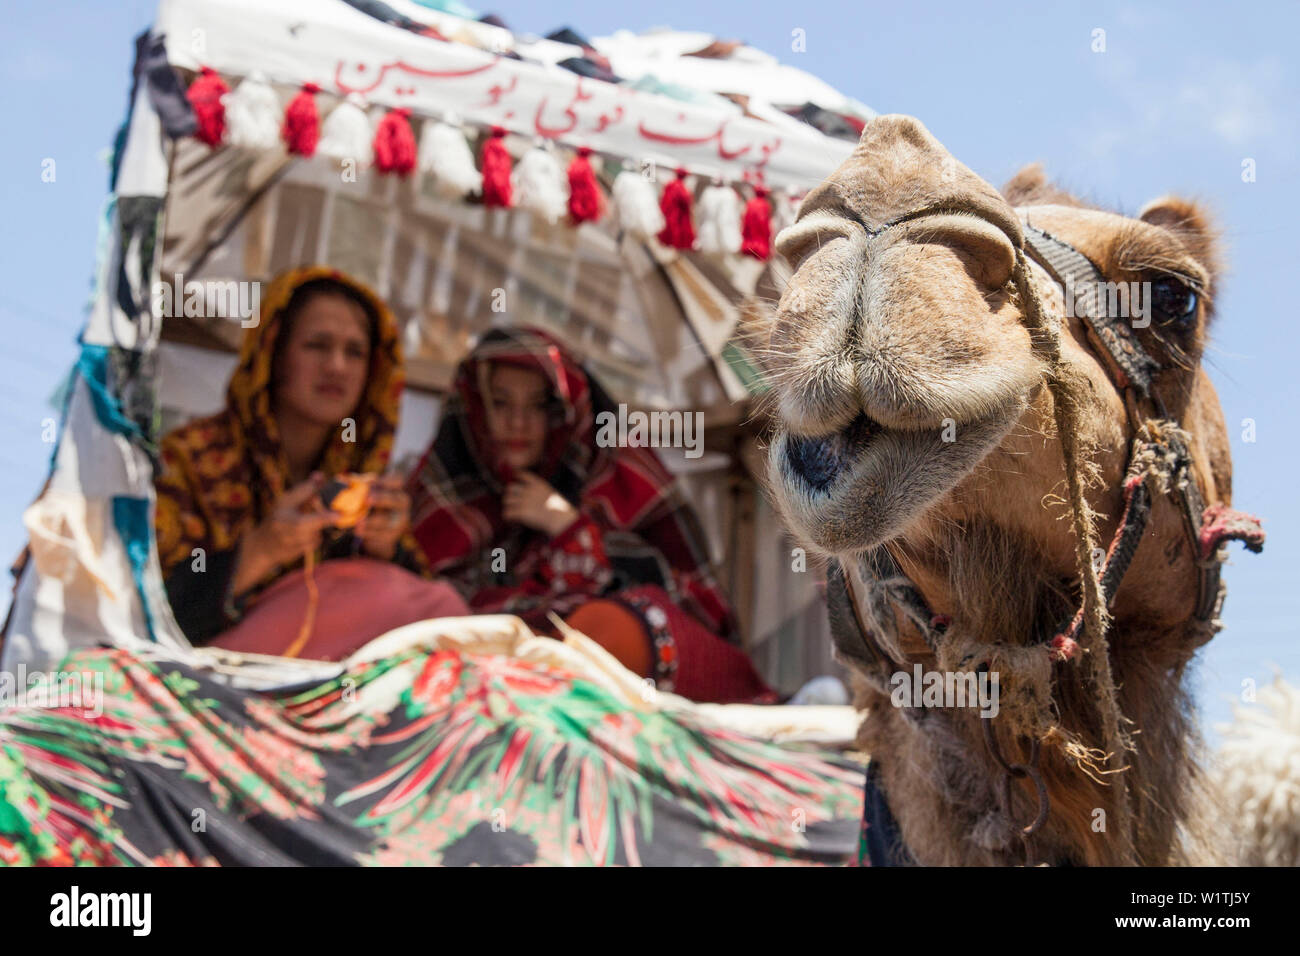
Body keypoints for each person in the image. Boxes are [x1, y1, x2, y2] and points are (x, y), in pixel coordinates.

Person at [405, 326, 774, 703]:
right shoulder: (443, 493)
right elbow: (428, 607)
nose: (518, 422)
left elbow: (696, 610)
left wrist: (569, 528)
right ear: (475, 408)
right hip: (506, 682)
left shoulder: (620, 477)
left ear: (568, 410)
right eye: (500, 403)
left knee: (607, 630)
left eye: (538, 405)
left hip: (639, 677)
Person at [154, 266, 467, 659]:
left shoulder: (364, 481)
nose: (337, 366)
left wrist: (387, 551)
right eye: (317, 345)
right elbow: (142, 614)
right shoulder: (189, 460)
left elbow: (416, 620)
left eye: (355, 352)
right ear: (273, 353)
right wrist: (261, 551)